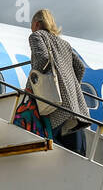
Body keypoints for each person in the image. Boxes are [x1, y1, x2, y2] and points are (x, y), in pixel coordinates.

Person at [27, 9, 90, 155]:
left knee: (44, 141)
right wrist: (70, 86)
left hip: (56, 105)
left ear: (36, 24)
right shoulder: (64, 43)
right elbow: (80, 68)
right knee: (76, 153)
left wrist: (32, 85)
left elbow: (42, 59)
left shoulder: (36, 36)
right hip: (74, 106)